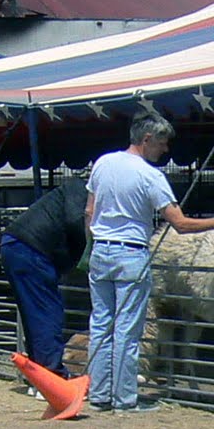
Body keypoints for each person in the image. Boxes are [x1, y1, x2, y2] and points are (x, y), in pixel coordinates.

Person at [86, 112, 214, 413]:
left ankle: (100, 394)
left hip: (101, 252)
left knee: (102, 324)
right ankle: (125, 399)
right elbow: (180, 224)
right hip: (130, 254)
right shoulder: (150, 176)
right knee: (128, 329)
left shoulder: (103, 163)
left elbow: (89, 211)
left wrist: (91, 246)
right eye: (162, 143)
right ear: (147, 139)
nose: (165, 150)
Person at [0, 177, 88, 378]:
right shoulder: (80, 188)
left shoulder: (76, 189)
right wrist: (93, 245)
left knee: (36, 314)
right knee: (47, 313)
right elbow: (75, 220)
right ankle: (51, 375)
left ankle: (39, 375)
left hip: (22, 246)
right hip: (32, 249)